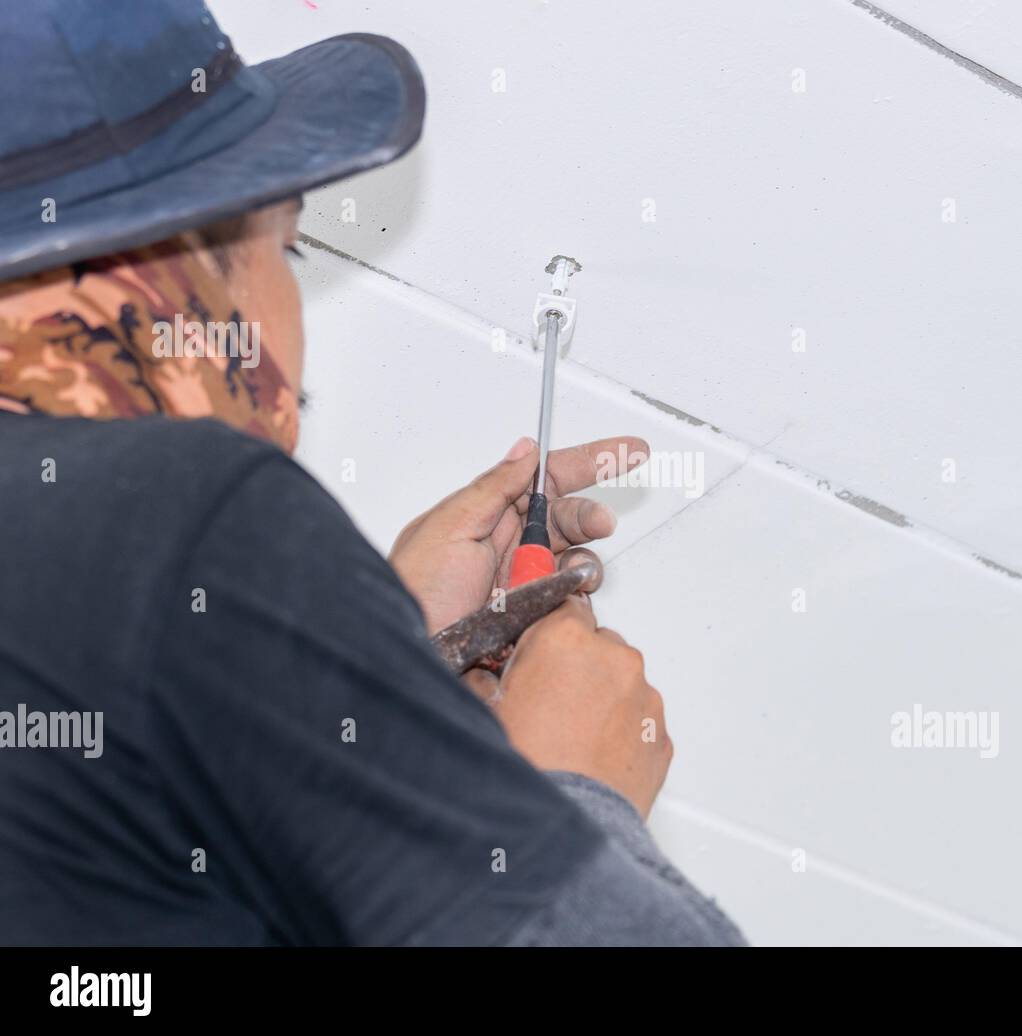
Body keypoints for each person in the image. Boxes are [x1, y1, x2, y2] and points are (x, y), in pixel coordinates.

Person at [0, 0, 743, 947]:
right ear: (182, 262)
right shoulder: (191, 510)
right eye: (289, 246)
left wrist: (384, 677)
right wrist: (574, 791)